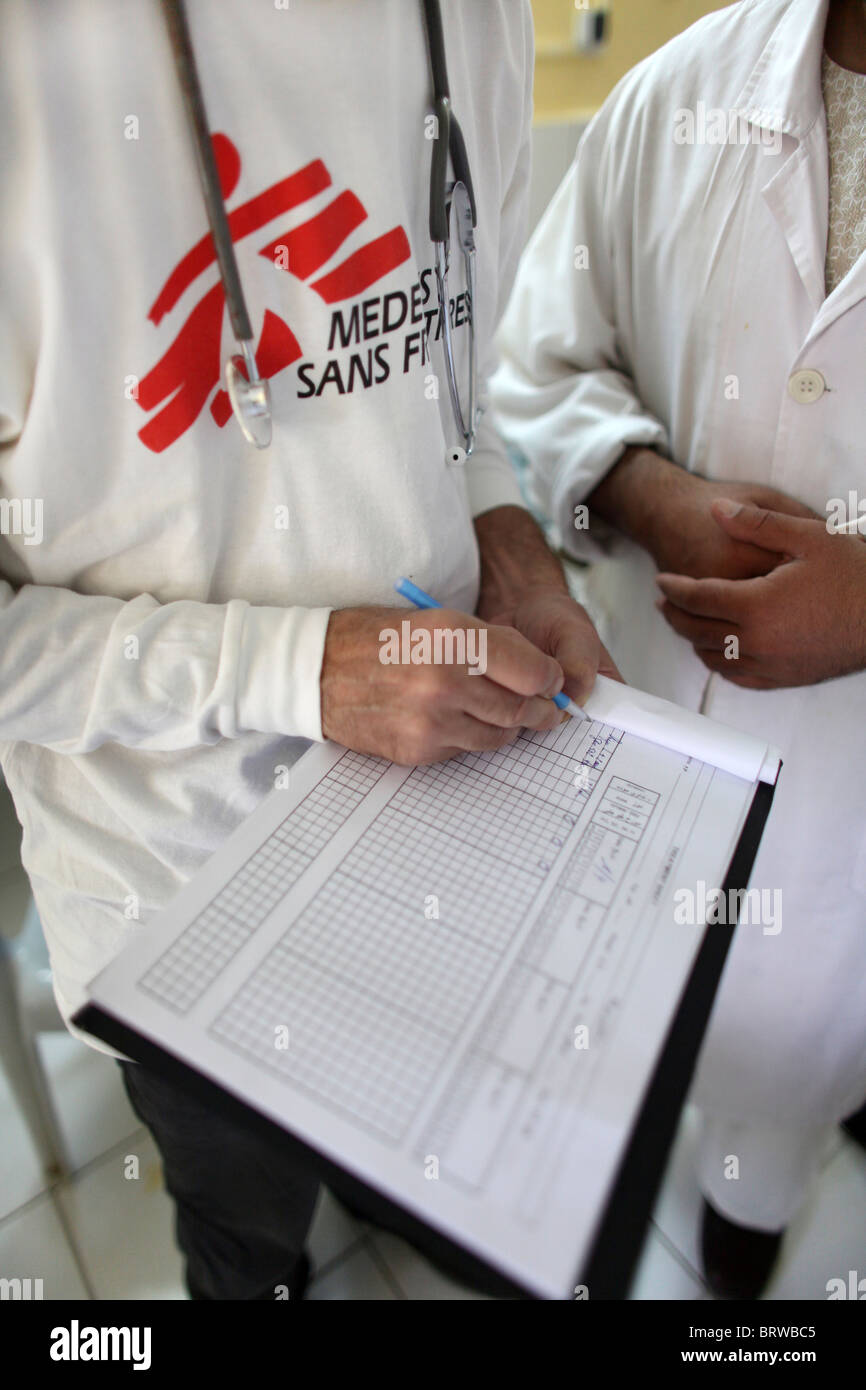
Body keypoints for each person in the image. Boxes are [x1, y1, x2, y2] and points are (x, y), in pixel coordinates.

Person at [0, 1, 621, 1299]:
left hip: (443, 814)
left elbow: (445, 376)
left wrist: (505, 530)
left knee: (423, 1137)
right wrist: (301, 671)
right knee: (241, 1219)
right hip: (178, 899)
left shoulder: (480, 20)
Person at [492, 0, 866, 1298]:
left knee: (796, 1082)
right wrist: (640, 491)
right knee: (656, 1017)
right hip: (656, 730)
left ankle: (750, 1220)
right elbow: (535, 369)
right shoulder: (676, 95)